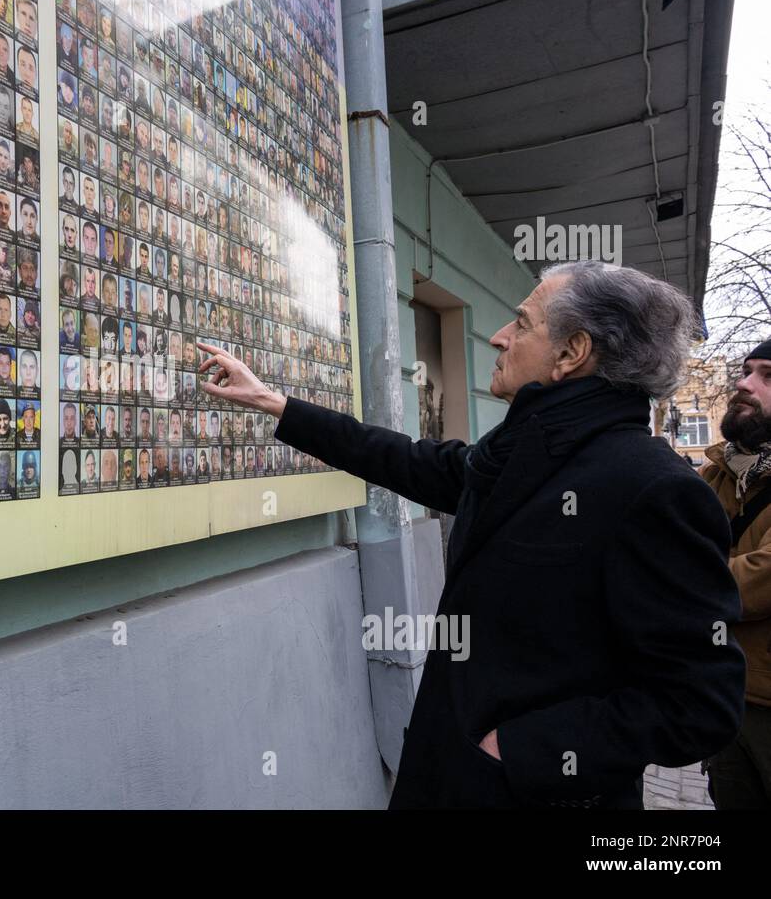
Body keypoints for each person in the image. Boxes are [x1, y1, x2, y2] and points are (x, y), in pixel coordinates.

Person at [201, 260, 746, 808]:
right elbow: (409, 462)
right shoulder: (522, 454)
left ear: (570, 353)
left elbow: (700, 703)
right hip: (450, 772)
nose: (499, 336)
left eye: (523, 323)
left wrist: (519, 749)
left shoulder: (652, 489)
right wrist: (275, 404)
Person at [699, 340, 771, 807]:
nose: (744, 384)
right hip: (725, 695)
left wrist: (681, 588)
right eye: (746, 371)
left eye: (767, 375)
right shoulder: (717, 474)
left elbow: (765, 576)